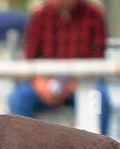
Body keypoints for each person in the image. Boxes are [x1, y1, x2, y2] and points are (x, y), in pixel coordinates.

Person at [9, 0, 110, 135]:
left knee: (99, 98)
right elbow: (30, 59)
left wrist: (70, 85)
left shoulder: (93, 15)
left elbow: (98, 60)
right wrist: (40, 84)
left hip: (82, 81)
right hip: (45, 80)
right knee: (18, 99)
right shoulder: (39, 15)